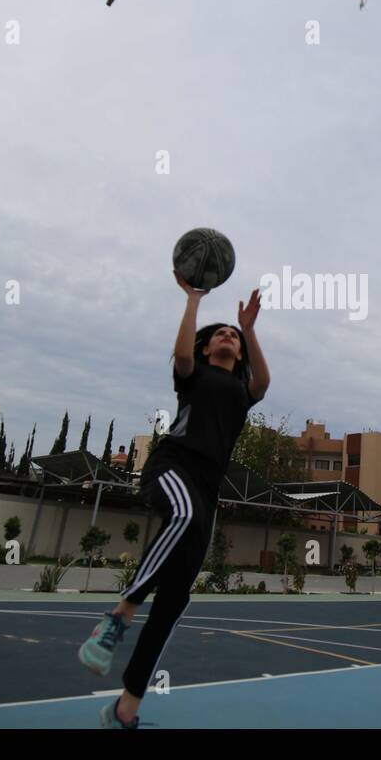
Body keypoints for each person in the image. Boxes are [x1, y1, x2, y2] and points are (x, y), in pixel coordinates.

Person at [77, 272, 270, 729]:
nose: (227, 337)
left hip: (208, 486)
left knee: (175, 600)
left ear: (239, 352)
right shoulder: (193, 374)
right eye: (220, 334)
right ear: (207, 348)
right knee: (180, 514)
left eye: (233, 337)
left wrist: (251, 329)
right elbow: (182, 352)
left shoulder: (243, 393)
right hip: (173, 466)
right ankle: (121, 612)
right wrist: (193, 300)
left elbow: (263, 380)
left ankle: (124, 710)